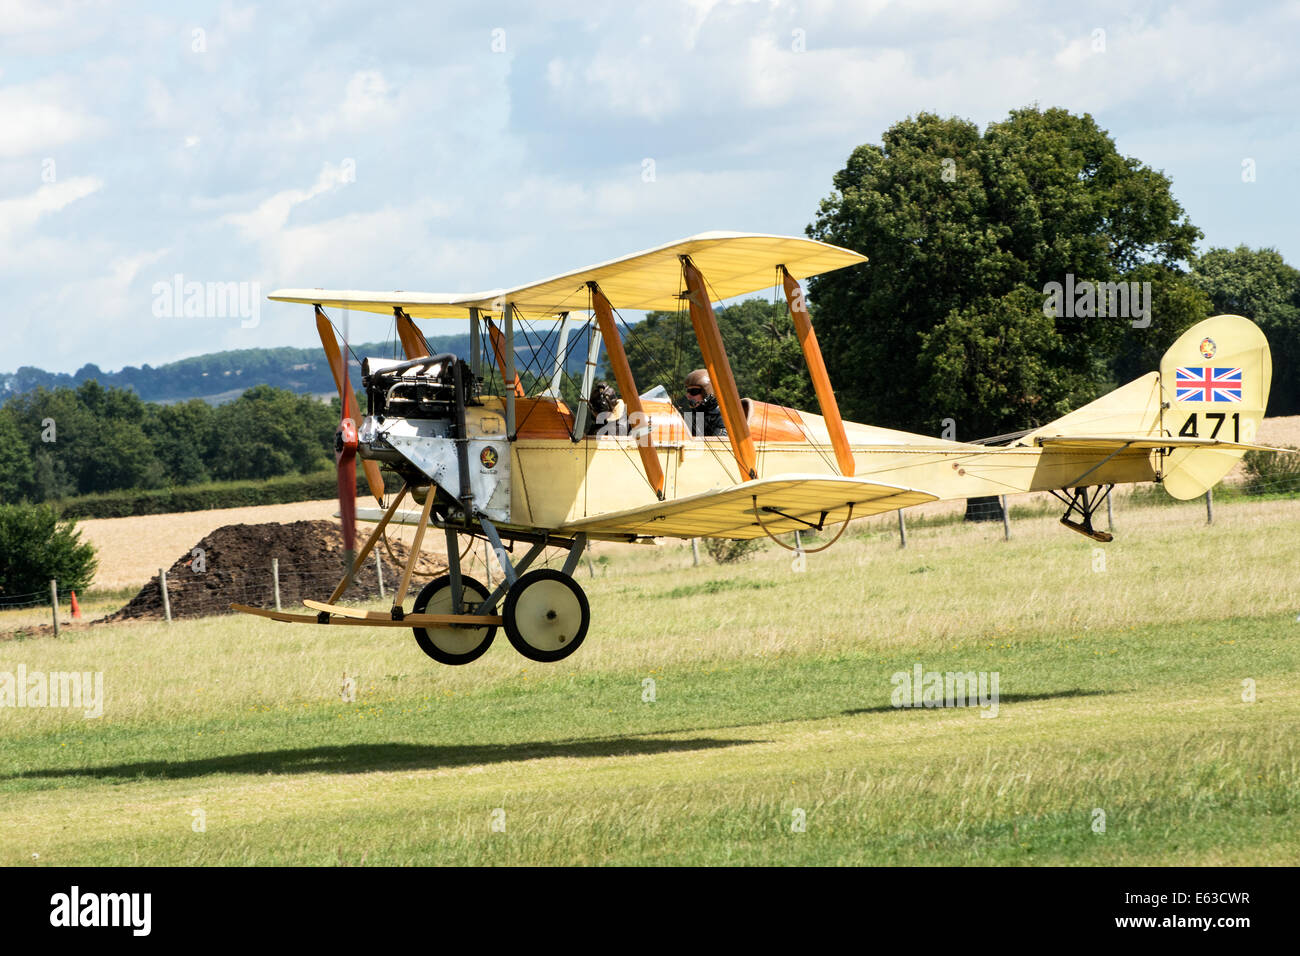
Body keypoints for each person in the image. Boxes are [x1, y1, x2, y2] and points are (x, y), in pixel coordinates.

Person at [680, 368, 726, 437]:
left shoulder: (723, 417)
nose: (688, 395)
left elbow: (718, 445)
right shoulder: (695, 415)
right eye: (687, 391)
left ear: (707, 394)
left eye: (694, 391)